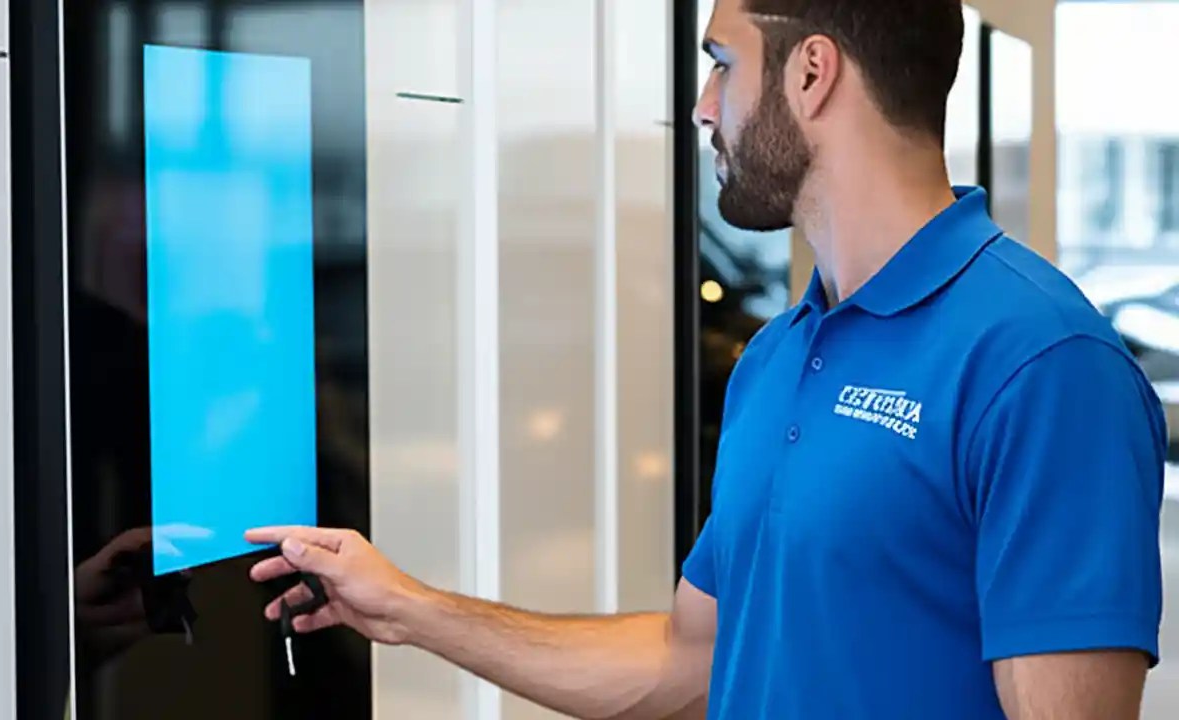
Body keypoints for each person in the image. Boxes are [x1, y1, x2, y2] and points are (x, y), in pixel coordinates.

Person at [247, 0, 1167, 717]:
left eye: (723, 62)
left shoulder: (1044, 366)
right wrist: (411, 610)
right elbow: (690, 661)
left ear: (812, 73)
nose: (703, 105)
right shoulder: (777, 356)